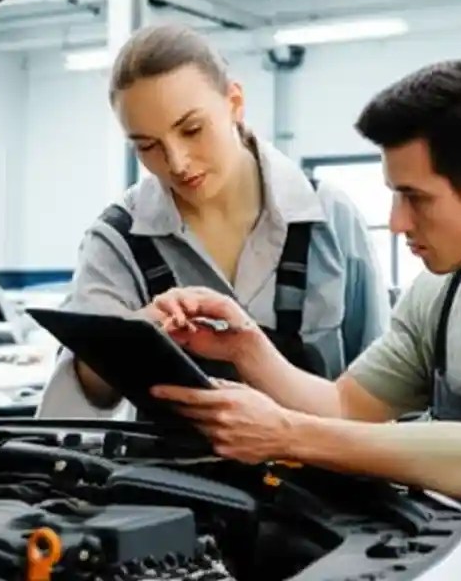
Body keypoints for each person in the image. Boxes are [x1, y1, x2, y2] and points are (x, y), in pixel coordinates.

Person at [144, 59, 461, 580]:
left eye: (415, 198)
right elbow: (348, 406)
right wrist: (246, 348)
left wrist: (284, 434)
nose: (397, 222)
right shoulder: (438, 293)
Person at [36, 22, 390, 419]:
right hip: (174, 477)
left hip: (322, 475)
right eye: (147, 146)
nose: (177, 162)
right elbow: (82, 398)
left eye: (192, 129)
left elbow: (381, 387)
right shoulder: (117, 239)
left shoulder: (330, 215)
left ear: (234, 103)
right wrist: (136, 335)